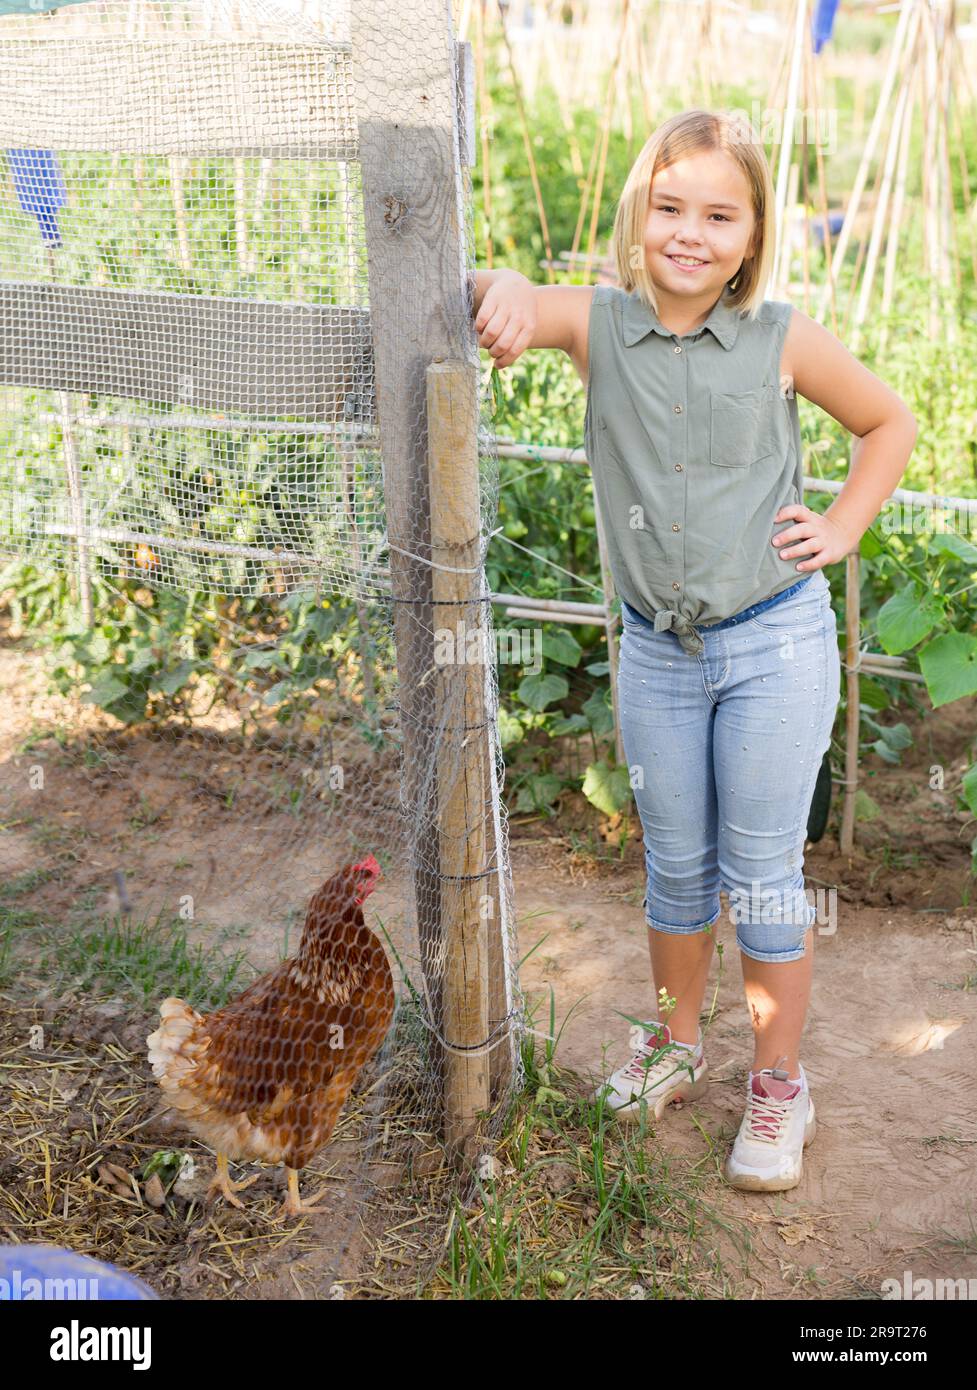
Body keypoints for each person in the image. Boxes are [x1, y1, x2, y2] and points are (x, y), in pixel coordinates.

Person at [471, 108, 917, 1192]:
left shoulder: (779, 336)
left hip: (771, 642)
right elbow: (522, 300)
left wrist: (844, 525)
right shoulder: (601, 324)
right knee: (673, 868)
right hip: (659, 656)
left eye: (718, 214)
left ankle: (777, 1087)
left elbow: (887, 422)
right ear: (637, 215)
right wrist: (500, 287)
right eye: (668, 207)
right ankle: (673, 1044)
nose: (689, 232)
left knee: (762, 876)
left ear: (753, 234)